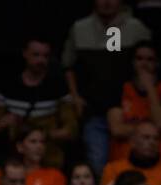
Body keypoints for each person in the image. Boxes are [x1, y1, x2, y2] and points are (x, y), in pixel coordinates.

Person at [63, 0, 153, 173]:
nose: (107, 2)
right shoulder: (80, 28)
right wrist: (75, 96)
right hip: (94, 110)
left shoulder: (136, 28)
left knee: (132, 168)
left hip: (129, 113)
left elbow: (149, 62)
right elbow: (68, 66)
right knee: (98, 166)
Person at [0, 35, 78, 170]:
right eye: (36, 55)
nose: (41, 60)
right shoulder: (9, 86)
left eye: (45, 56)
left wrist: (43, 136)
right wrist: (2, 124)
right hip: (14, 157)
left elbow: (71, 129)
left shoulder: (58, 86)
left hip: (48, 157)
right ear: (25, 54)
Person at [106, 41, 161, 164]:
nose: (144, 64)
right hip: (124, 162)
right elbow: (117, 129)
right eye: (139, 59)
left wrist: (149, 87)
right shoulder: (120, 89)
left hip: (160, 164)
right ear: (132, 62)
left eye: (150, 59)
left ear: (157, 63)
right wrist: (151, 128)